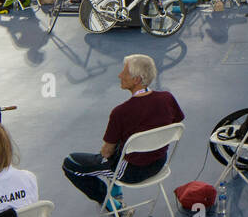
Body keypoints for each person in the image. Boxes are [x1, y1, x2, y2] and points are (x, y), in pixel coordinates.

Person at [61, 54, 184, 203]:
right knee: (120, 146)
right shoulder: (167, 98)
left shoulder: (120, 112)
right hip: (159, 163)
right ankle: (115, 192)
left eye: (124, 73)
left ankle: (113, 205)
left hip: (131, 172)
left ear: (137, 79)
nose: (120, 75)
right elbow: (176, 122)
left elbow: (106, 153)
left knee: (70, 163)